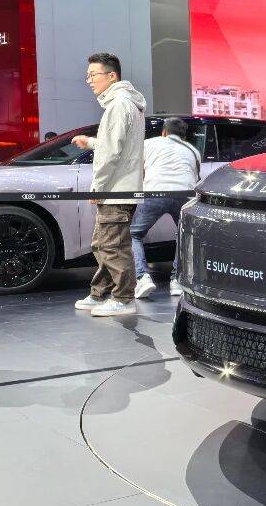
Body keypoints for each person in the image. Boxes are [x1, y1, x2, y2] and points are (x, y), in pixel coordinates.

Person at [71, 53, 145, 318]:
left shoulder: (119, 104)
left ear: (111, 76)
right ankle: (100, 292)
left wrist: (98, 186)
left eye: (93, 75)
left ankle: (124, 298)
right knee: (103, 243)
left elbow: (111, 153)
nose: (89, 80)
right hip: (119, 187)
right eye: (88, 76)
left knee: (112, 246)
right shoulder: (125, 103)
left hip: (116, 189)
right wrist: (90, 142)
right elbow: (114, 146)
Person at [132, 117, 200, 299]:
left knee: (134, 234)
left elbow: (135, 165)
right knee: (184, 236)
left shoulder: (150, 143)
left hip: (156, 192)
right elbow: (196, 176)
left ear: (164, 132)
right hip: (185, 195)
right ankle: (177, 281)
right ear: (184, 136)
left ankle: (142, 277)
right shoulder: (193, 150)